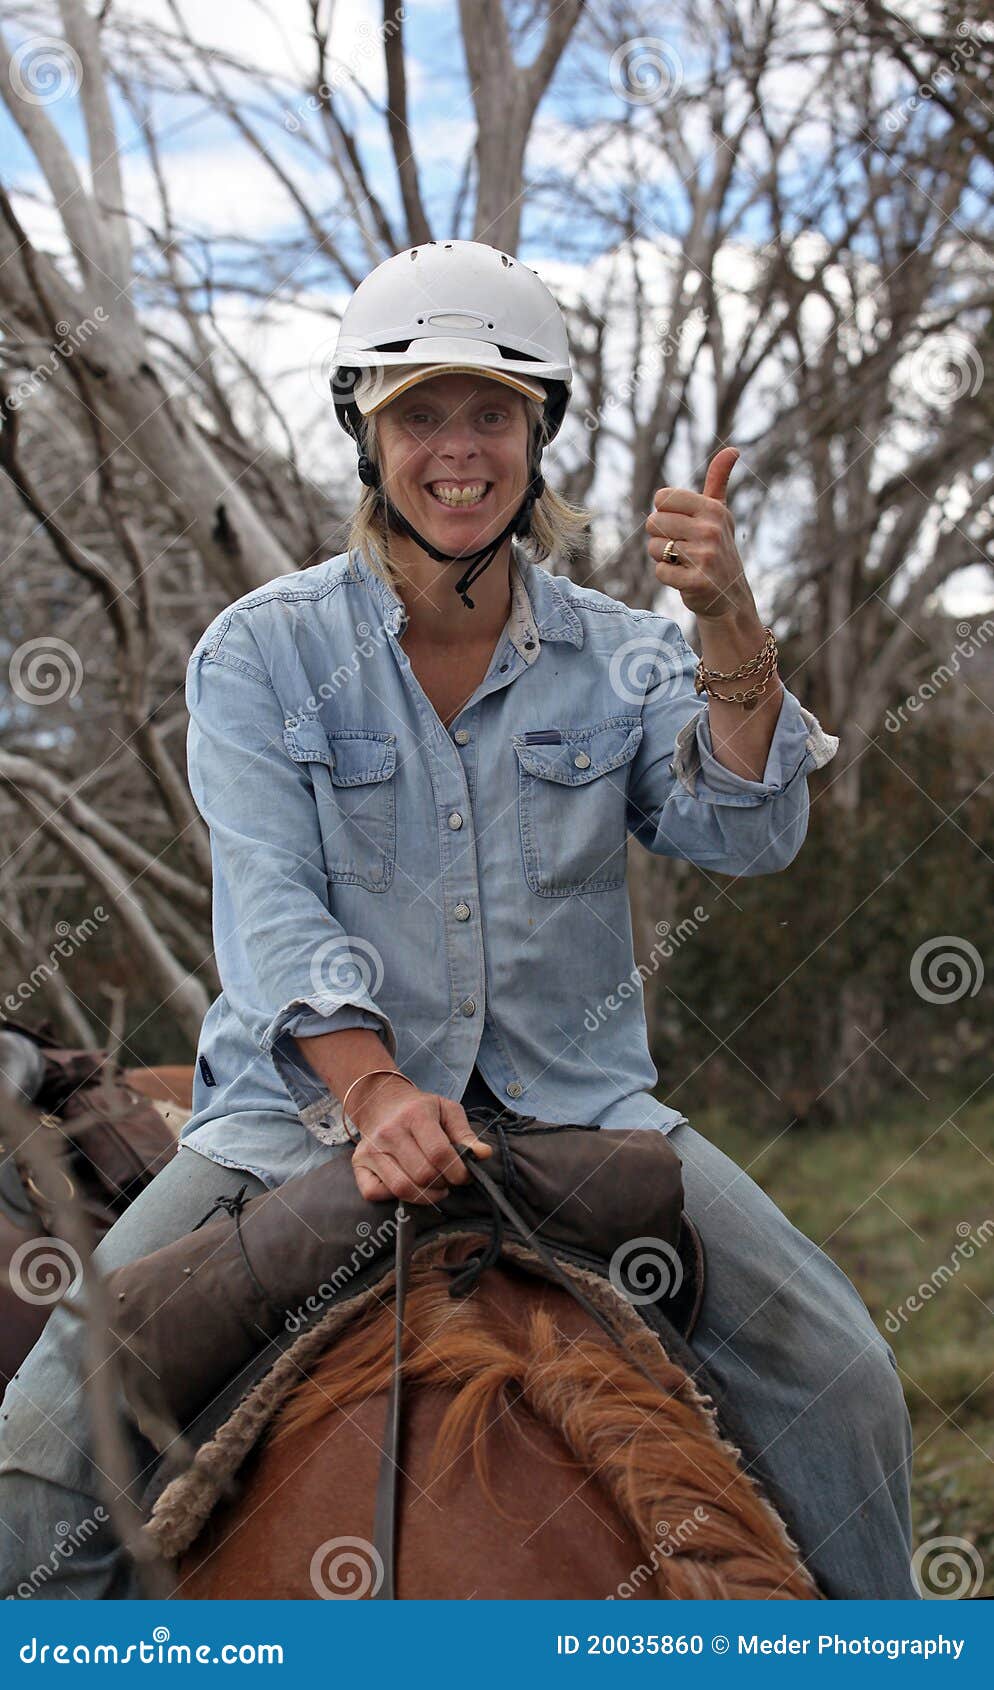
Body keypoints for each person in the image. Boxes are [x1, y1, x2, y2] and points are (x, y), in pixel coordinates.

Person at [0, 239, 916, 1601]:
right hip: (286, 1131)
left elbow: (747, 825)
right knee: (39, 1442)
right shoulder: (259, 653)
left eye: (490, 411)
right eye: (418, 412)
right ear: (365, 432)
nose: (456, 448)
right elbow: (273, 909)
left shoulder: (629, 650)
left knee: (846, 1371)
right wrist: (373, 1092)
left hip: (582, 1118)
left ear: (536, 433)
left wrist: (728, 618)